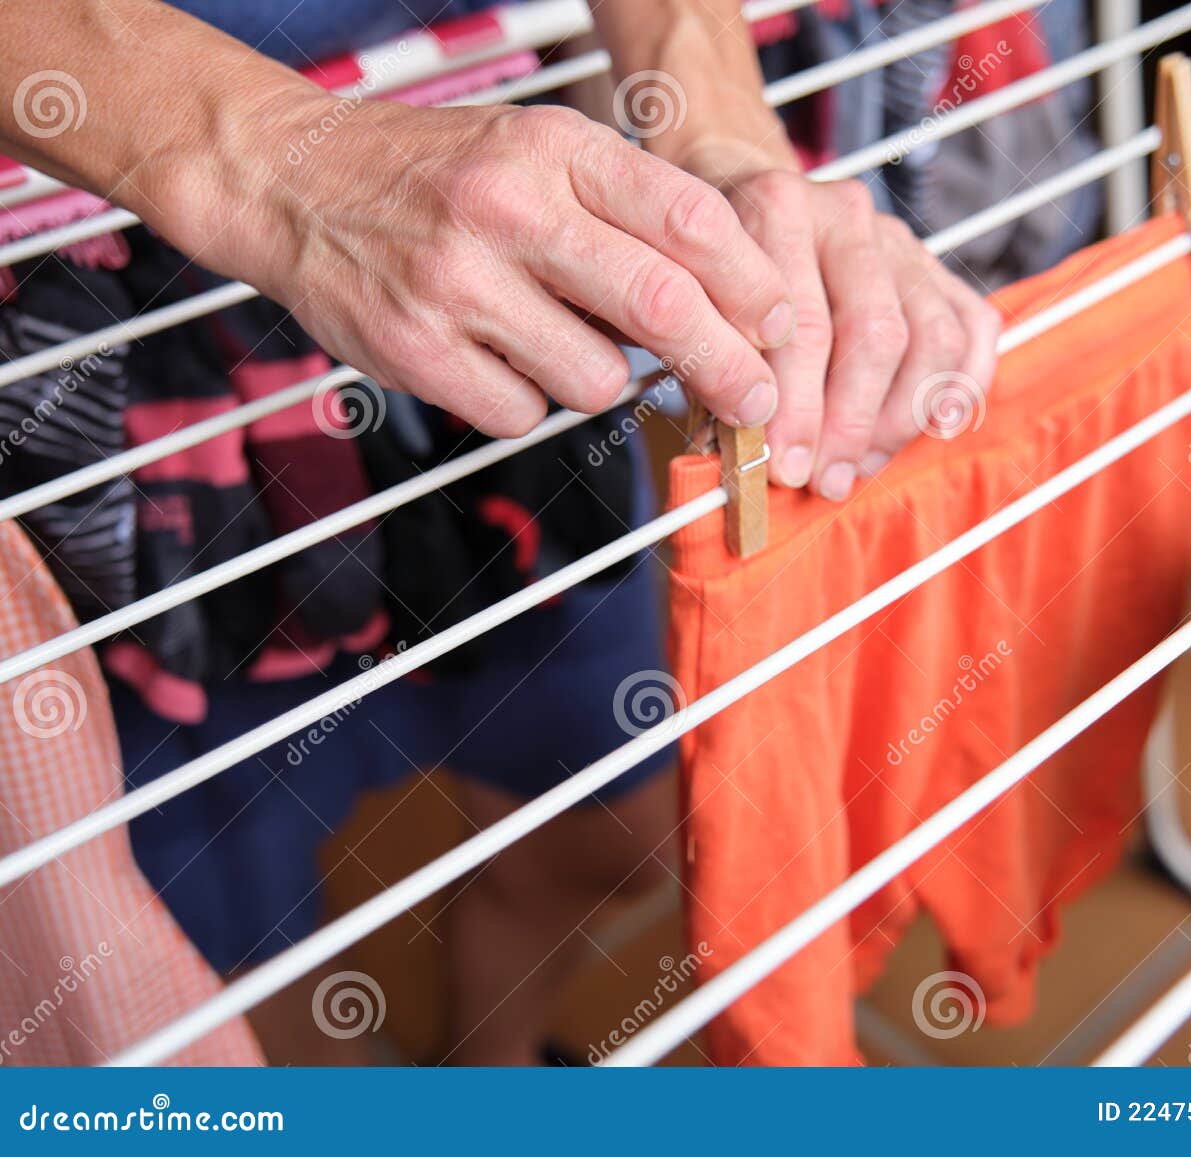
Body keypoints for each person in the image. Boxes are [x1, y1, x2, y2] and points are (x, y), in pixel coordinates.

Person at [0, 0, 998, 1064]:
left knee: (611, 831)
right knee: (216, 949)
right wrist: (271, 158)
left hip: (495, 236)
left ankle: (493, 1077)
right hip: (90, 316)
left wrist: (721, 149)